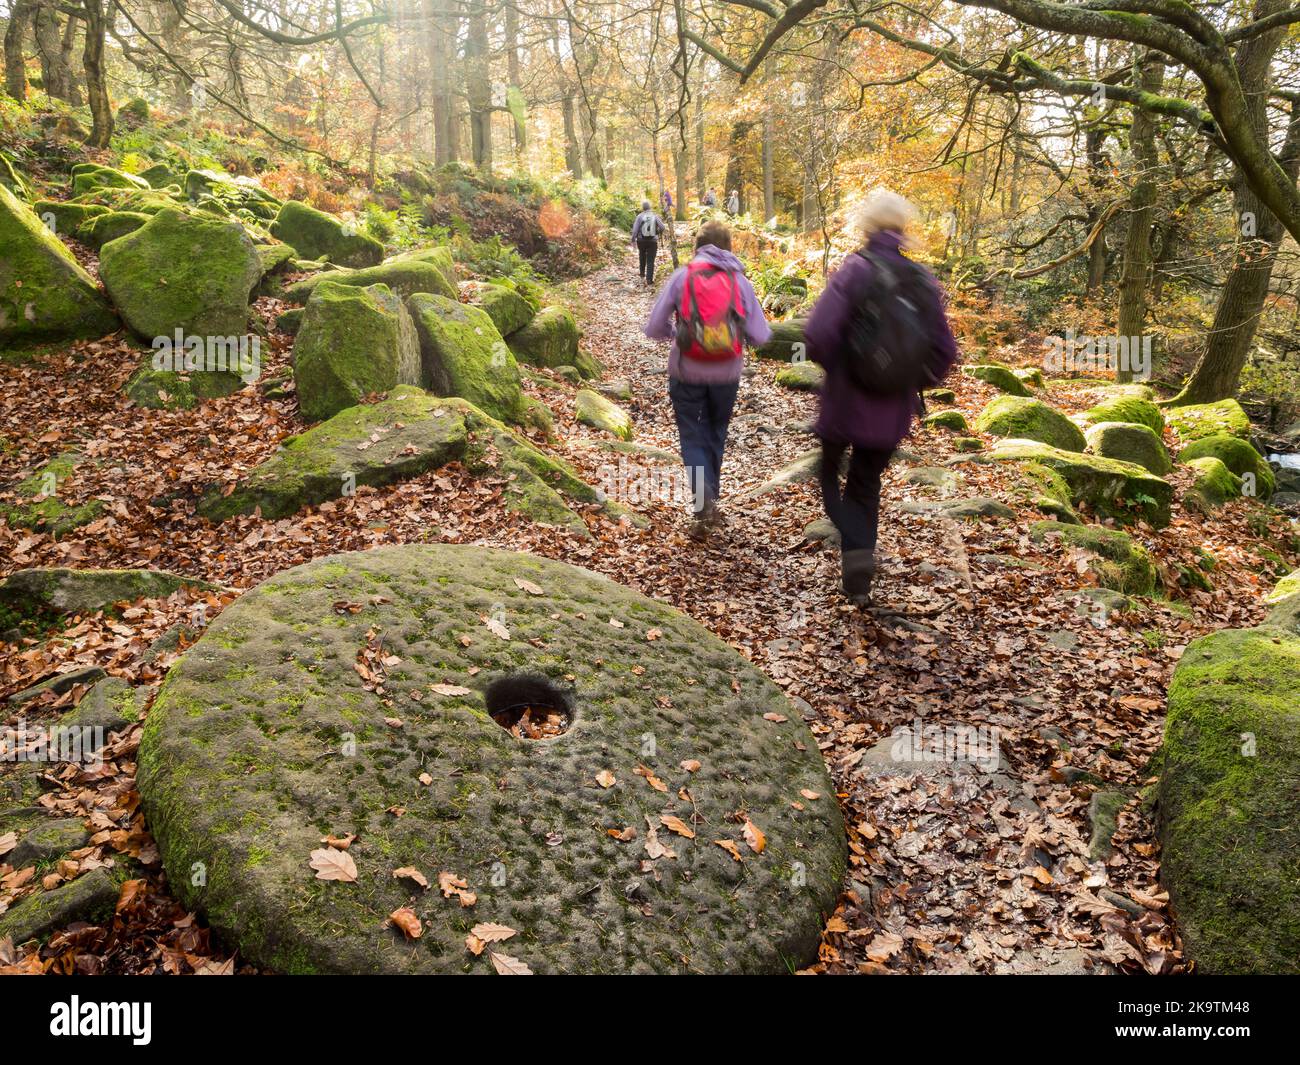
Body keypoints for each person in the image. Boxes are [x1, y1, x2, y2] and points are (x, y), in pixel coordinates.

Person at [803, 189, 959, 603]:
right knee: (866, 485)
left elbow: (817, 334)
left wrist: (839, 367)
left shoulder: (856, 269)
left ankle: (854, 546)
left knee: (828, 476)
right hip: (891, 411)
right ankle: (859, 568)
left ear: (868, 226)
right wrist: (908, 380)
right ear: (902, 228)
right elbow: (945, 351)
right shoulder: (922, 279)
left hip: (844, 402)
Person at [644, 221, 771, 536]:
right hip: (726, 374)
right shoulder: (739, 281)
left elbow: (654, 326)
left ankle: (702, 500)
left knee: (692, 434)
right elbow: (760, 334)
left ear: (697, 247)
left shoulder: (682, 276)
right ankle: (709, 494)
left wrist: (676, 334)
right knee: (716, 430)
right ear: (728, 247)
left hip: (686, 370)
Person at [631, 199, 665, 286]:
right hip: (652, 241)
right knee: (650, 260)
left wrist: (633, 239)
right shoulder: (655, 215)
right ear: (650, 207)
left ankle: (642, 274)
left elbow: (635, 230)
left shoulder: (639, 216)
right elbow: (662, 227)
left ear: (643, 208)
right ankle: (649, 280)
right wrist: (656, 232)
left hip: (641, 240)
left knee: (642, 256)